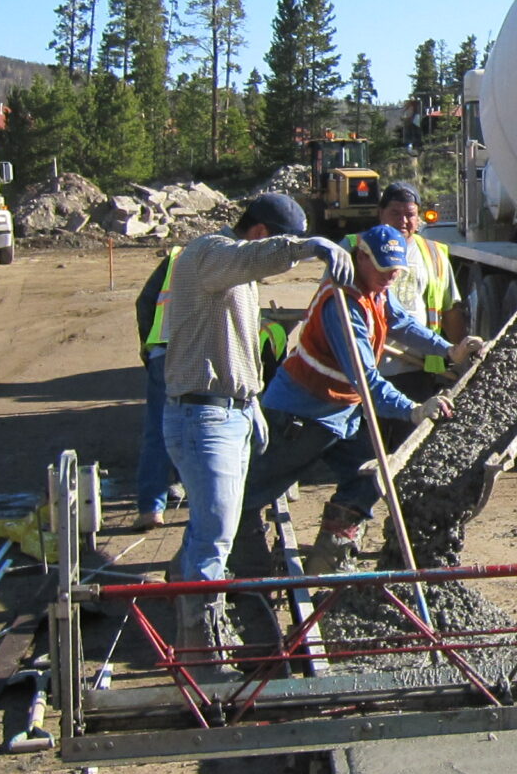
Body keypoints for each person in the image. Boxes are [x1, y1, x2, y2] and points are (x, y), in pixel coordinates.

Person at [160, 193, 356, 649]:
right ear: (262, 233)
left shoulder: (238, 276)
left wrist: (251, 405)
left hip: (233, 412)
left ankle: (187, 595)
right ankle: (200, 650)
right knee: (214, 534)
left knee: (212, 527)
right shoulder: (210, 254)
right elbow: (249, 257)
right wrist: (310, 247)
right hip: (203, 416)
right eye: (281, 244)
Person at [237, 221, 483, 573]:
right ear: (362, 258)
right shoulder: (343, 301)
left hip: (341, 414)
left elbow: (401, 323)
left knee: (370, 476)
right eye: (383, 270)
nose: (390, 277)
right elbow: (366, 379)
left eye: (395, 271)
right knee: (250, 494)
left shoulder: (378, 289)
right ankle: (226, 575)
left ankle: (330, 558)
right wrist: (412, 409)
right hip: (300, 414)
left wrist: (450, 350)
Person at [349, 182, 468, 394]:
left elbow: (450, 310)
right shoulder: (354, 248)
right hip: (367, 366)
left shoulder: (434, 253)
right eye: (395, 213)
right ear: (380, 213)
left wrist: (459, 356)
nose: (403, 221)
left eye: (410, 214)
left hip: (417, 367)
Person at [130, 247, 181, 526]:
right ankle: (198, 505)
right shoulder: (231, 259)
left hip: (163, 353)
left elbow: (145, 303)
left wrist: (149, 350)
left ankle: (151, 508)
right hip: (200, 357)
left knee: (159, 431)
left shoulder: (176, 257)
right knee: (199, 430)